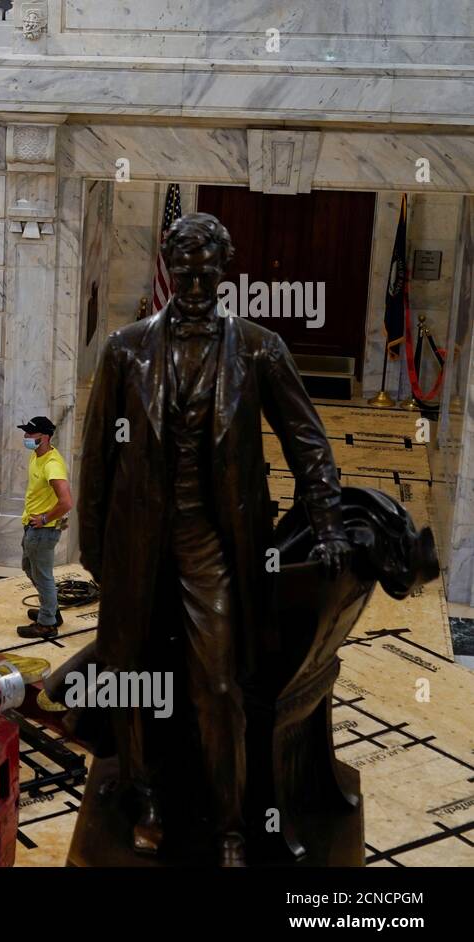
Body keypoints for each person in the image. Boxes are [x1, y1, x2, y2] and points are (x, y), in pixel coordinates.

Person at [78, 212, 350, 867]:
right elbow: (97, 461)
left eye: (208, 271)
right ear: (170, 270)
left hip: (214, 541)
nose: (196, 282)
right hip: (140, 538)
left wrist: (329, 520)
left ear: (223, 272)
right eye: (186, 271)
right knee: (129, 672)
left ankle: (231, 822)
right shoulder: (125, 349)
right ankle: (146, 797)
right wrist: (96, 551)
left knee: (220, 683)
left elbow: (308, 442)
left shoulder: (258, 348)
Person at [15, 416, 74, 640]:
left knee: (43, 575)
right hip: (32, 526)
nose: (26, 437)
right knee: (30, 569)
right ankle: (50, 610)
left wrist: (44, 519)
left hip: (43, 530)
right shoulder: (36, 455)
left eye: (31, 434)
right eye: (26, 433)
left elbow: (66, 502)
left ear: (45, 437)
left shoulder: (52, 465)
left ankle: (47, 624)